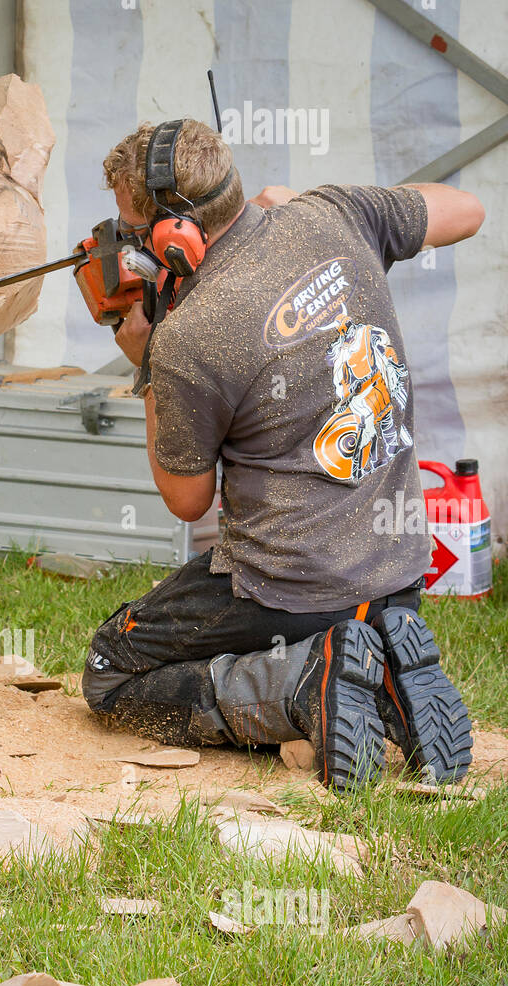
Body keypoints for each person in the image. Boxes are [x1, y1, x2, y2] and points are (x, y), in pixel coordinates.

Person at [82, 119, 484, 790]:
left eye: (134, 229)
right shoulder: (335, 211)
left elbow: (187, 499)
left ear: (174, 238)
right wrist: (303, 217)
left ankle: (303, 683)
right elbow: (466, 212)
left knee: (109, 670)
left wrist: (150, 356)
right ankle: (380, 667)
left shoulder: (190, 336)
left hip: (293, 588)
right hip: (396, 569)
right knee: (359, 613)